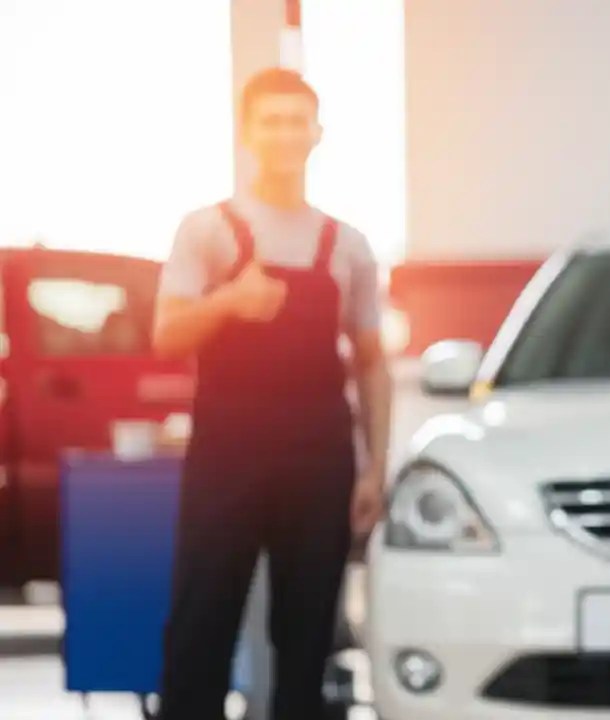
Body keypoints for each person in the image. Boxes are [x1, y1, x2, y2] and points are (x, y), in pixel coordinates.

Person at [151, 67, 391, 719]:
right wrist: (230, 300)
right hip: (227, 453)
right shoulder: (207, 230)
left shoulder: (348, 246)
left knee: (307, 635)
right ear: (248, 133)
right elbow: (166, 334)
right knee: (201, 623)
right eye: (271, 121)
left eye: (296, 121)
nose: (285, 134)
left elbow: (372, 364)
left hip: (318, 457)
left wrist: (374, 468)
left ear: (317, 133)